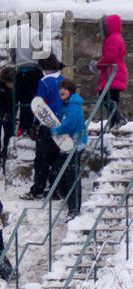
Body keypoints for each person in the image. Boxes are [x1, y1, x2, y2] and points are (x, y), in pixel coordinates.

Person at [23, 55, 64, 200]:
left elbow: (38, 104)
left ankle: (38, 190)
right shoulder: (62, 79)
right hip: (61, 124)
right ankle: (55, 189)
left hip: (47, 124)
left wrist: (35, 123)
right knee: (55, 159)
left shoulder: (44, 81)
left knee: (41, 160)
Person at [54, 78, 87, 217]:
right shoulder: (66, 106)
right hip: (67, 145)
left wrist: (57, 130)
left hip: (76, 144)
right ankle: (69, 202)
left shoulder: (73, 105)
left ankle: (74, 208)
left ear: (70, 91)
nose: (62, 90)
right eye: (61, 88)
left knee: (71, 175)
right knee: (60, 172)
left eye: (65, 88)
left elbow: (70, 125)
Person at [95, 14, 128, 130]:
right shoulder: (117, 38)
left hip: (113, 73)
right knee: (113, 98)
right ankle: (114, 123)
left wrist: (97, 64)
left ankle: (118, 119)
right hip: (116, 72)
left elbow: (110, 56)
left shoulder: (112, 39)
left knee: (104, 96)